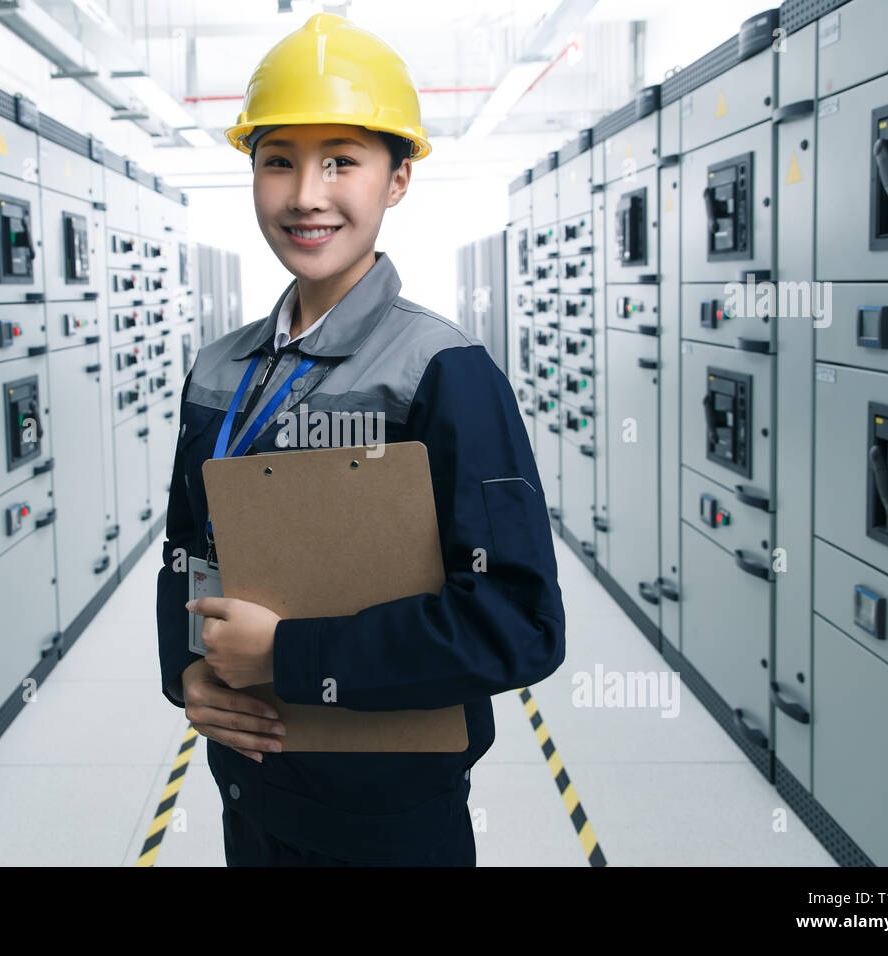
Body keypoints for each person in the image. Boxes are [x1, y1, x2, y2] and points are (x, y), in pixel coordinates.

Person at [155, 12, 566, 866]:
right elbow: (186, 553)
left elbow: (516, 622)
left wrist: (289, 654)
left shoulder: (445, 371)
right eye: (279, 161)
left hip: (386, 821)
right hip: (250, 789)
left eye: (341, 160)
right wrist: (186, 675)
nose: (306, 194)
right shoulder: (219, 370)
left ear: (399, 179)